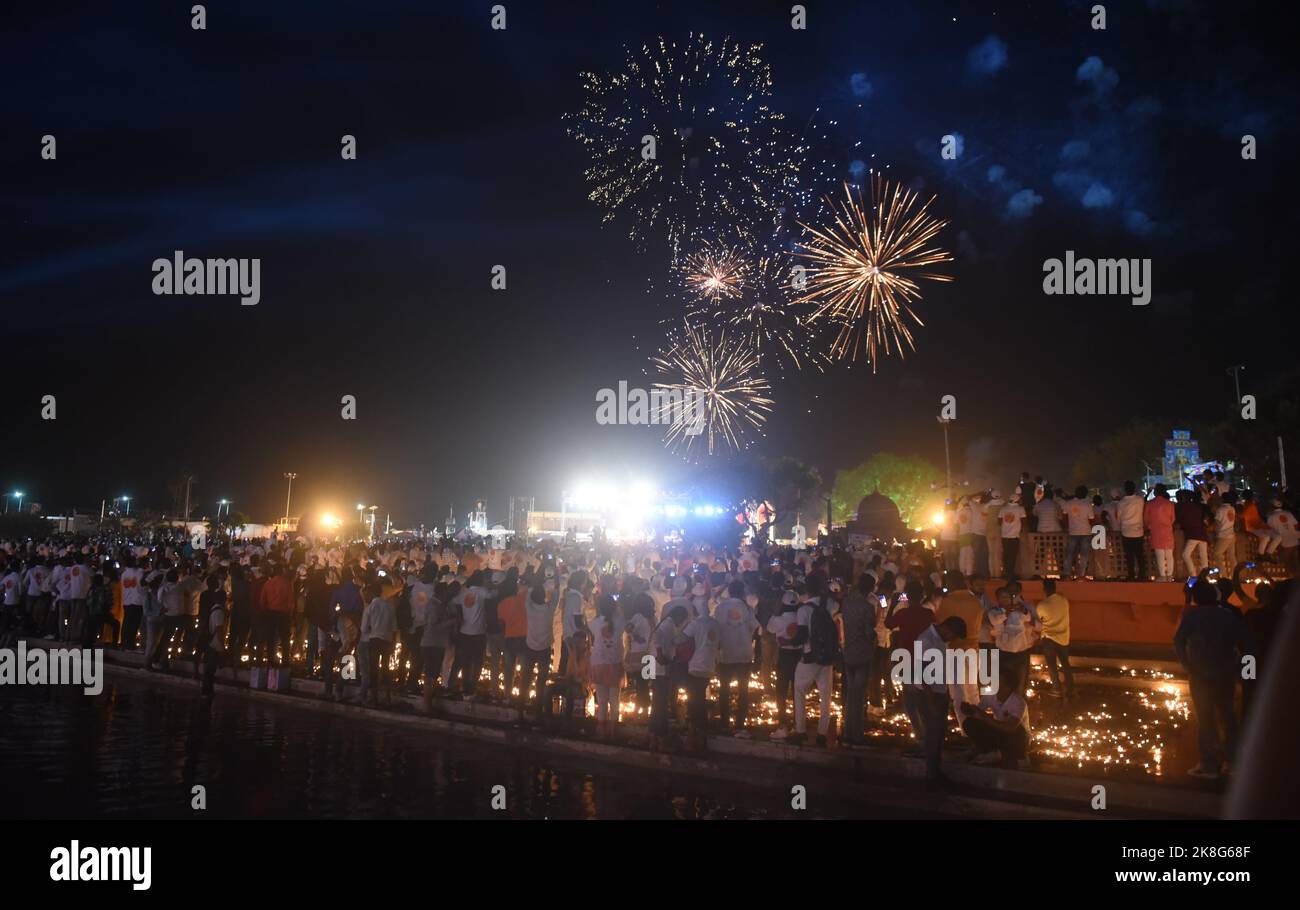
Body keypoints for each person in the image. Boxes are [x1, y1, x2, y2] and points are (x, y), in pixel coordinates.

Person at [1174, 580, 1255, 780]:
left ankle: (1209, 765)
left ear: (1196, 599)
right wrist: (1242, 669)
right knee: (1228, 716)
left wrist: (1187, 665)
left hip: (1200, 673)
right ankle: (1234, 762)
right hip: (1226, 672)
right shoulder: (1227, 617)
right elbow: (1248, 642)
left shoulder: (1192, 618)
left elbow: (1178, 641)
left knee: (1205, 718)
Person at [904, 615, 968, 788]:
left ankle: (935, 771)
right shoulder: (926, 639)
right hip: (928, 694)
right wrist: (931, 699)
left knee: (939, 733)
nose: (952, 640)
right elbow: (922, 672)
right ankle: (932, 774)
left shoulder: (938, 638)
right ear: (947, 628)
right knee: (933, 734)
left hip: (939, 691)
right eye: (953, 636)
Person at [783, 577, 839, 747]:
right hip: (827, 658)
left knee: (799, 692)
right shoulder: (831, 604)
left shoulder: (804, 610)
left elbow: (802, 635)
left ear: (807, 590)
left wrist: (789, 642)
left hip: (809, 657)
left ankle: (801, 731)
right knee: (825, 695)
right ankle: (822, 733)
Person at [713, 580, 758, 736]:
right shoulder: (748, 609)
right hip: (744, 654)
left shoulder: (720, 608)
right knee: (743, 690)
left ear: (730, 592)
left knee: (724, 689)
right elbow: (753, 628)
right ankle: (740, 724)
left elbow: (715, 630)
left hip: (726, 654)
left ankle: (725, 723)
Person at [960, 675, 1030, 769]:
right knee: (969, 723)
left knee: (1018, 730)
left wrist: (985, 717)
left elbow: (1010, 728)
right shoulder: (991, 696)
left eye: (998, 681)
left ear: (1008, 687)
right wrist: (968, 710)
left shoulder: (1018, 702)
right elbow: (977, 713)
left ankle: (1019, 756)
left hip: (1017, 737)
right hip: (1001, 732)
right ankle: (990, 752)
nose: (994, 683)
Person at [840, 573, 877, 747]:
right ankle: (857, 735)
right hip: (862, 653)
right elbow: (869, 632)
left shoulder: (846, 603)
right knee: (859, 695)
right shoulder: (868, 608)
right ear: (870, 588)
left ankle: (847, 732)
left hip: (848, 652)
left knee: (851, 695)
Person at [680, 598, 720, 751]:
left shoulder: (695, 624)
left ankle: (692, 738)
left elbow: (681, 638)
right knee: (700, 700)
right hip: (709, 666)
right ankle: (701, 738)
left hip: (695, 666)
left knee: (694, 702)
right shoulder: (715, 624)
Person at [648, 604, 689, 751]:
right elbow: (656, 636)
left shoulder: (666, 623)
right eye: (683, 619)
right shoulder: (669, 625)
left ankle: (653, 737)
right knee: (661, 705)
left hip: (655, 667)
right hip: (661, 668)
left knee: (656, 704)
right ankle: (660, 738)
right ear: (679, 617)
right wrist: (660, 654)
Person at [988, 584, 1039, 695]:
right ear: (997, 599)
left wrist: (1023, 610)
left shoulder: (1020, 610)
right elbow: (995, 621)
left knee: (1020, 685)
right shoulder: (994, 612)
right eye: (1002, 597)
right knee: (1004, 684)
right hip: (1004, 653)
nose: (1005, 599)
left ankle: (1019, 708)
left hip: (1021, 652)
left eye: (1007, 597)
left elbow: (1029, 618)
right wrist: (1007, 612)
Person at [588, 594, 626, 740]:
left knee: (602, 699)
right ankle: (612, 729)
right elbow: (622, 618)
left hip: (598, 663)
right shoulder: (620, 621)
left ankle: (600, 728)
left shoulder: (595, 622)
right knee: (614, 700)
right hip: (614, 664)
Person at [766, 589, 803, 729]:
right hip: (799, 655)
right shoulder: (802, 618)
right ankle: (798, 720)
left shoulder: (778, 619)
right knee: (797, 689)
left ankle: (782, 721)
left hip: (784, 655)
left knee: (781, 689)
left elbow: (769, 629)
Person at [1035, 578, 1074, 699]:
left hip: (1049, 638)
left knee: (1052, 665)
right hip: (1063, 637)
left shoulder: (1043, 605)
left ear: (1044, 589)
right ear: (1055, 588)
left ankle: (1056, 688)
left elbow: (1038, 621)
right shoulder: (1064, 601)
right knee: (1065, 664)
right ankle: (1070, 688)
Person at [201, 579, 229, 699]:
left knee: (210, 669)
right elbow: (219, 630)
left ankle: (207, 691)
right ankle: (206, 692)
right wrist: (222, 646)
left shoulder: (215, 609)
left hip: (213, 642)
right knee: (210, 669)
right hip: (215, 644)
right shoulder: (219, 612)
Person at [1144, 484, 1176, 582]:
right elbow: (1173, 518)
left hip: (1156, 531)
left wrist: (1149, 527)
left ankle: (1162, 575)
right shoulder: (1170, 504)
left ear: (1156, 492)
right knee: (1169, 555)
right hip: (1167, 531)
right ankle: (1170, 575)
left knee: (1160, 555)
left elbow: (1146, 519)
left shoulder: (1150, 504)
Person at [1061, 487, 1094, 580]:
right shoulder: (1087, 505)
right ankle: (1081, 575)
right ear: (1084, 494)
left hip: (1072, 531)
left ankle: (1067, 574)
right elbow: (1091, 519)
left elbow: (1064, 517)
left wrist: (1067, 527)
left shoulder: (1069, 503)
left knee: (1070, 553)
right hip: (1085, 531)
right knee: (1084, 554)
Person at [1117, 480, 1147, 581]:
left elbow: (1119, 518)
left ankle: (1131, 575)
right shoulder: (1140, 500)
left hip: (1126, 531)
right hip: (1138, 531)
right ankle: (1142, 575)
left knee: (1129, 556)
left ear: (1125, 490)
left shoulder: (1121, 502)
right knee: (1140, 555)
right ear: (1134, 489)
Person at [1177, 489, 1210, 578]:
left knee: (1185, 554)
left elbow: (1180, 519)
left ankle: (1193, 574)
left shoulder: (1184, 507)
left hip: (1192, 533)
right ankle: (1205, 576)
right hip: (1202, 532)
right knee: (1203, 556)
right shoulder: (1198, 506)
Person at [997, 495, 1027, 580]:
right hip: (1014, 535)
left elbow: (999, 521)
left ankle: (1005, 572)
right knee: (1012, 556)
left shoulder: (1003, 508)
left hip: (1004, 535)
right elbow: (1024, 521)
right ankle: (1010, 574)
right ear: (1017, 501)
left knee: (1006, 555)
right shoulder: (1020, 509)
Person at [1266, 498, 1299, 575]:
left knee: (1287, 565)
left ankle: (1293, 582)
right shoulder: (1288, 513)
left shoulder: (1271, 517)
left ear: (1272, 507)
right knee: (1295, 564)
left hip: (1285, 544)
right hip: (1295, 542)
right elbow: (1296, 526)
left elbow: (1268, 530)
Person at [1212, 493, 1239, 575]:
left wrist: (1216, 534)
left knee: (1217, 554)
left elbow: (1217, 523)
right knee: (1231, 556)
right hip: (1231, 534)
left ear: (1222, 499)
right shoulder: (1232, 509)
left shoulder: (1220, 509)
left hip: (1223, 535)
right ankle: (1234, 575)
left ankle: (1223, 575)